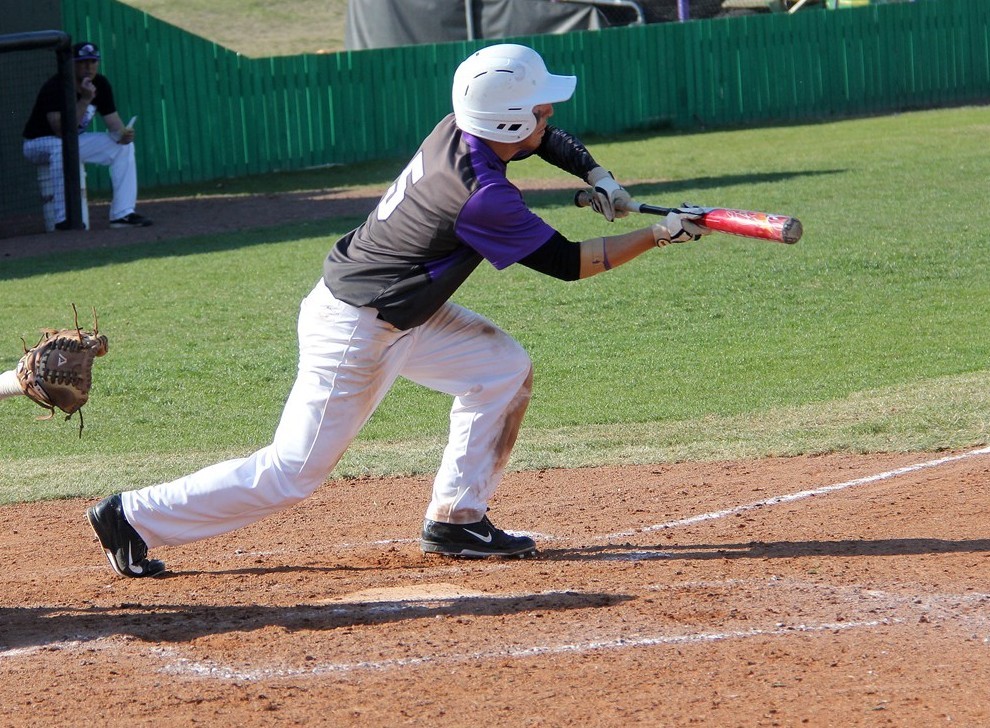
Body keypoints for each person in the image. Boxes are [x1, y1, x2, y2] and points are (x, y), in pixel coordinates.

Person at [85, 43, 710, 578]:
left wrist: (599, 175)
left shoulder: (460, 128)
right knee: (291, 473)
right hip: (358, 329)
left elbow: (543, 139)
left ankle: (457, 521)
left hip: (402, 311)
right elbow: (570, 264)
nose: (548, 120)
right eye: (539, 111)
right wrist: (658, 235)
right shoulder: (481, 196)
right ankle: (131, 515)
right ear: (510, 123)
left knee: (500, 369)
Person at [22, 41, 152, 230]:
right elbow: (61, 131)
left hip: (69, 143)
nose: (88, 67)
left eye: (93, 61)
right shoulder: (56, 86)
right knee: (62, 146)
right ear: (72, 64)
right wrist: (85, 99)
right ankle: (64, 219)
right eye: (83, 62)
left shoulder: (100, 83)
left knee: (123, 147)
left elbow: (113, 123)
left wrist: (123, 134)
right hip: (37, 144)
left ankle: (122, 214)